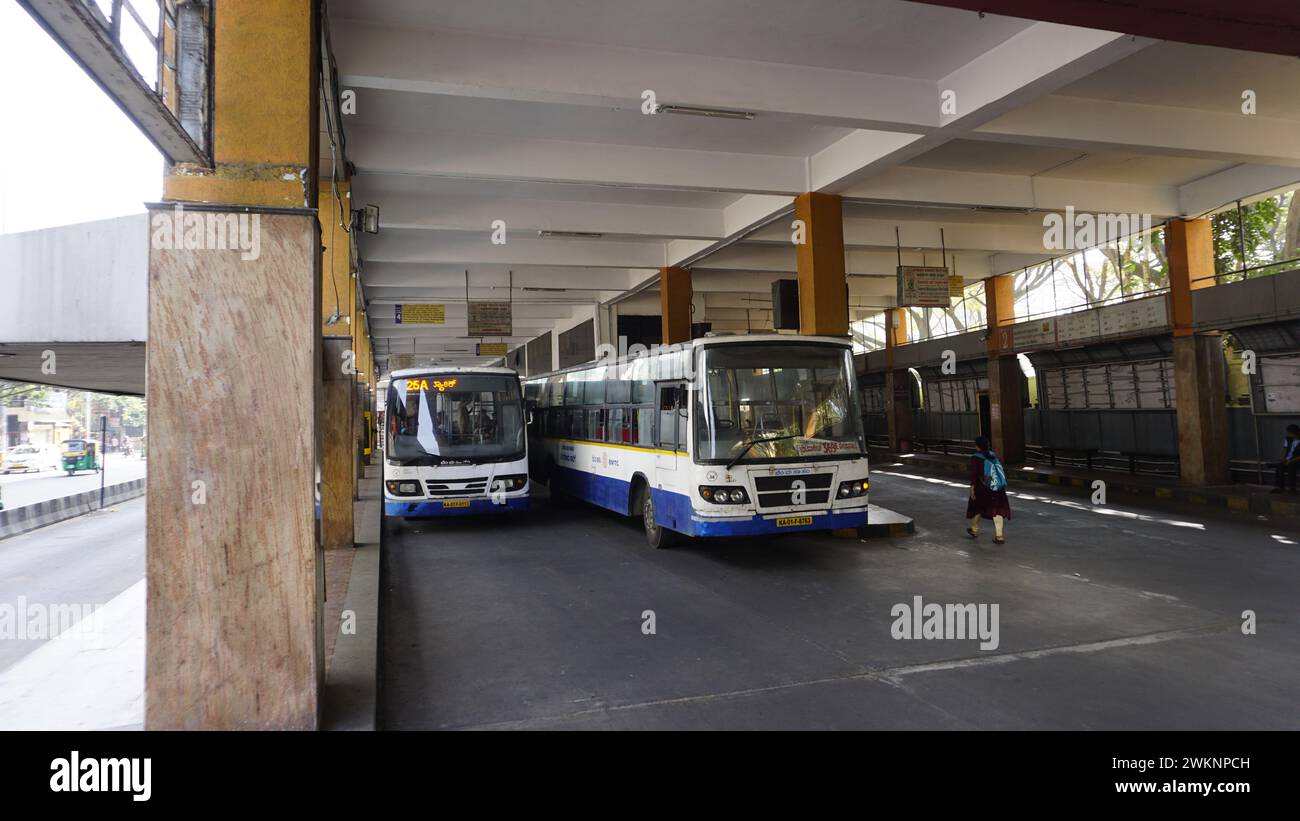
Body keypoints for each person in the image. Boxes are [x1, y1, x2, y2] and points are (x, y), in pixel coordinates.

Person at [966, 435, 1011, 544]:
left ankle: (974, 529)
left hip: (983, 487)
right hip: (998, 487)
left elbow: (974, 474)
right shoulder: (993, 455)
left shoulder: (976, 457)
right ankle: (999, 536)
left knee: (978, 507)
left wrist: (972, 488)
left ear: (977, 446)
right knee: (997, 509)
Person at [1272, 424, 1300, 494]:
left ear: (1296, 433)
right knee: (1279, 467)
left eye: (1290, 433)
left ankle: (1292, 489)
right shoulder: (1288, 439)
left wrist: (1290, 461)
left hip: (1297, 460)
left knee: (1291, 467)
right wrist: (1282, 458)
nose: (1288, 434)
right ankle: (1280, 487)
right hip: (1288, 459)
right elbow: (1285, 449)